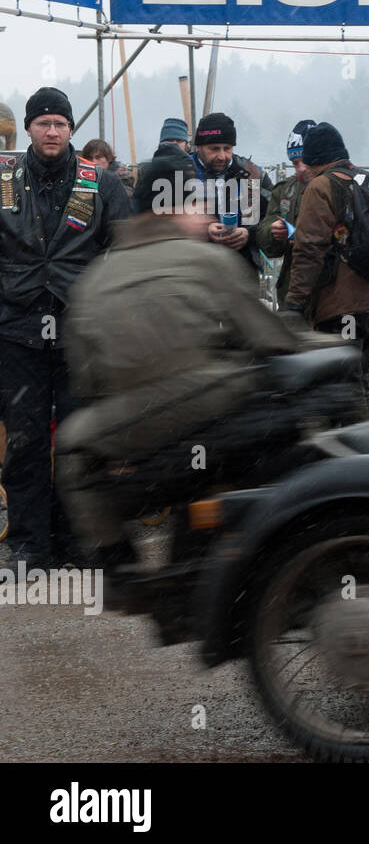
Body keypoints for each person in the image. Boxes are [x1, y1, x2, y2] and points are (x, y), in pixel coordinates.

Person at [56, 143, 303, 555]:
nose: (205, 215)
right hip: (210, 409)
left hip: (131, 428)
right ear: (169, 208)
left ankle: (116, 559)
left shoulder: (96, 277)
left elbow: (86, 379)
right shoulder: (207, 261)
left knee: (71, 447)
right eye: (196, 205)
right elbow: (272, 341)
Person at [0, 86, 131, 567]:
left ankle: (77, 540)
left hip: (80, 330)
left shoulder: (102, 182)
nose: (52, 131)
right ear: (30, 129)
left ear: (71, 129)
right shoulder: (4, 179)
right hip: (18, 329)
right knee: (25, 440)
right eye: (43, 123)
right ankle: (29, 544)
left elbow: (125, 253)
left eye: (60, 123)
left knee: (79, 439)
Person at [283, 122, 369, 415]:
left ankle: (362, 446)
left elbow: (308, 248)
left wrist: (295, 302)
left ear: (314, 158)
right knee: (359, 372)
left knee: (343, 384)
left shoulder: (321, 186)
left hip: (341, 303)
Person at [190, 111, 266, 272]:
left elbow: (270, 219)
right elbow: (164, 221)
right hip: (194, 270)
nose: (222, 156)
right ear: (199, 147)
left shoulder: (252, 174)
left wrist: (248, 234)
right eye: (214, 149)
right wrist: (204, 231)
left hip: (241, 269)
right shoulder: (181, 173)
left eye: (227, 148)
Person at [255, 119, 316, 307]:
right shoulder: (285, 190)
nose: (301, 169)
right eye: (295, 163)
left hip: (330, 288)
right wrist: (274, 233)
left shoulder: (337, 185)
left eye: (306, 161)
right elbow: (266, 238)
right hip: (292, 288)